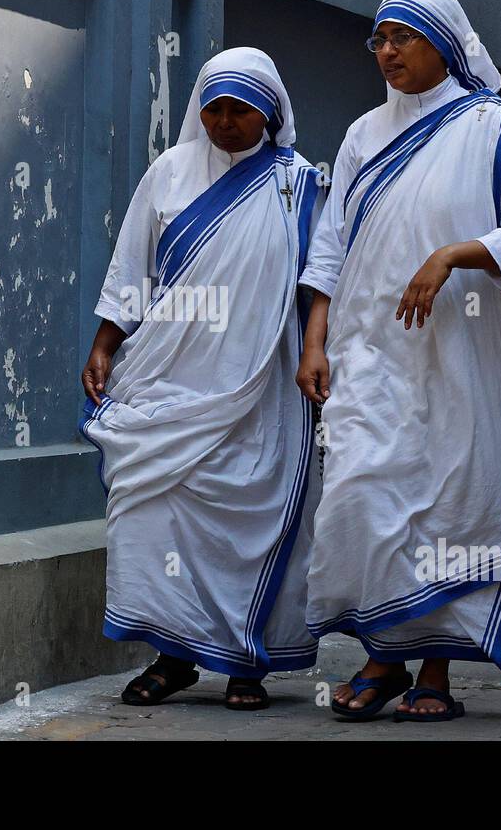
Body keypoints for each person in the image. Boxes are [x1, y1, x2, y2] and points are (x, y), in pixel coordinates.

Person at [297, 0, 501, 722]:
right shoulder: (361, 134)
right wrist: (314, 341)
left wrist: (452, 253)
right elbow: (331, 247)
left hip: (460, 354)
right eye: (378, 39)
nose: (386, 53)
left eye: (401, 38)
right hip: (368, 350)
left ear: (443, 43)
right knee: (362, 492)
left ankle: (433, 673)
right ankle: (383, 656)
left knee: (448, 501)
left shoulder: (492, 127)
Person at [80, 47, 327, 710]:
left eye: (239, 110)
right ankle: (172, 656)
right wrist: (105, 345)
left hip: (262, 382)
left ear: (269, 112)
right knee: (158, 508)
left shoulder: (298, 182)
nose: (223, 122)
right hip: (171, 373)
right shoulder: (170, 172)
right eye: (212, 108)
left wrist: (321, 357)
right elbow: (132, 265)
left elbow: (320, 282)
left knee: (254, 516)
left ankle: (248, 660)